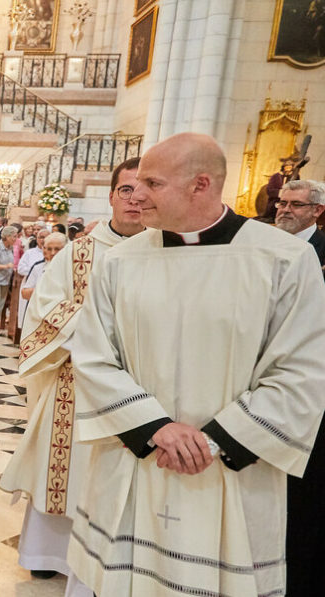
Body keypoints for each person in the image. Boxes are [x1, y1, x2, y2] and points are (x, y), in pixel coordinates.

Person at [67, 134, 325, 597]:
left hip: (229, 472)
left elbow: (301, 372)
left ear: (200, 185)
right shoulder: (120, 261)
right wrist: (155, 427)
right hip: (139, 461)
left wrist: (210, 441)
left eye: (152, 182)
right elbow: (92, 356)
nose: (135, 194)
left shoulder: (285, 259)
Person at [0, 157, 144, 589]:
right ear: (112, 195)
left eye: (143, 190)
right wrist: (98, 317)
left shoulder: (167, 251)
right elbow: (43, 310)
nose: (135, 199)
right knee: (64, 469)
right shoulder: (79, 253)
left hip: (140, 387)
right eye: (125, 190)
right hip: (76, 382)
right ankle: (48, 553)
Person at [273, 179, 325, 596]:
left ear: (316, 212)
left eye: (294, 204)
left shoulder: (320, 253)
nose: (284, 209)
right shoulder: (260, 246)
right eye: (281, 202)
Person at [274, 179, 325, 274]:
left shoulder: (322, 248)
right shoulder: (265, 239)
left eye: (296, 204)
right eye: (283, 203)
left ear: (317, 210)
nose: (285, 210)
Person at [17, 231, 62, 330]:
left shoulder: (67, 268)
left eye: (57, 249)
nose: (53, 253)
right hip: (37, 311)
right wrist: (46, 290)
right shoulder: (37, 265)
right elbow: (25, 293)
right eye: (49, 249)